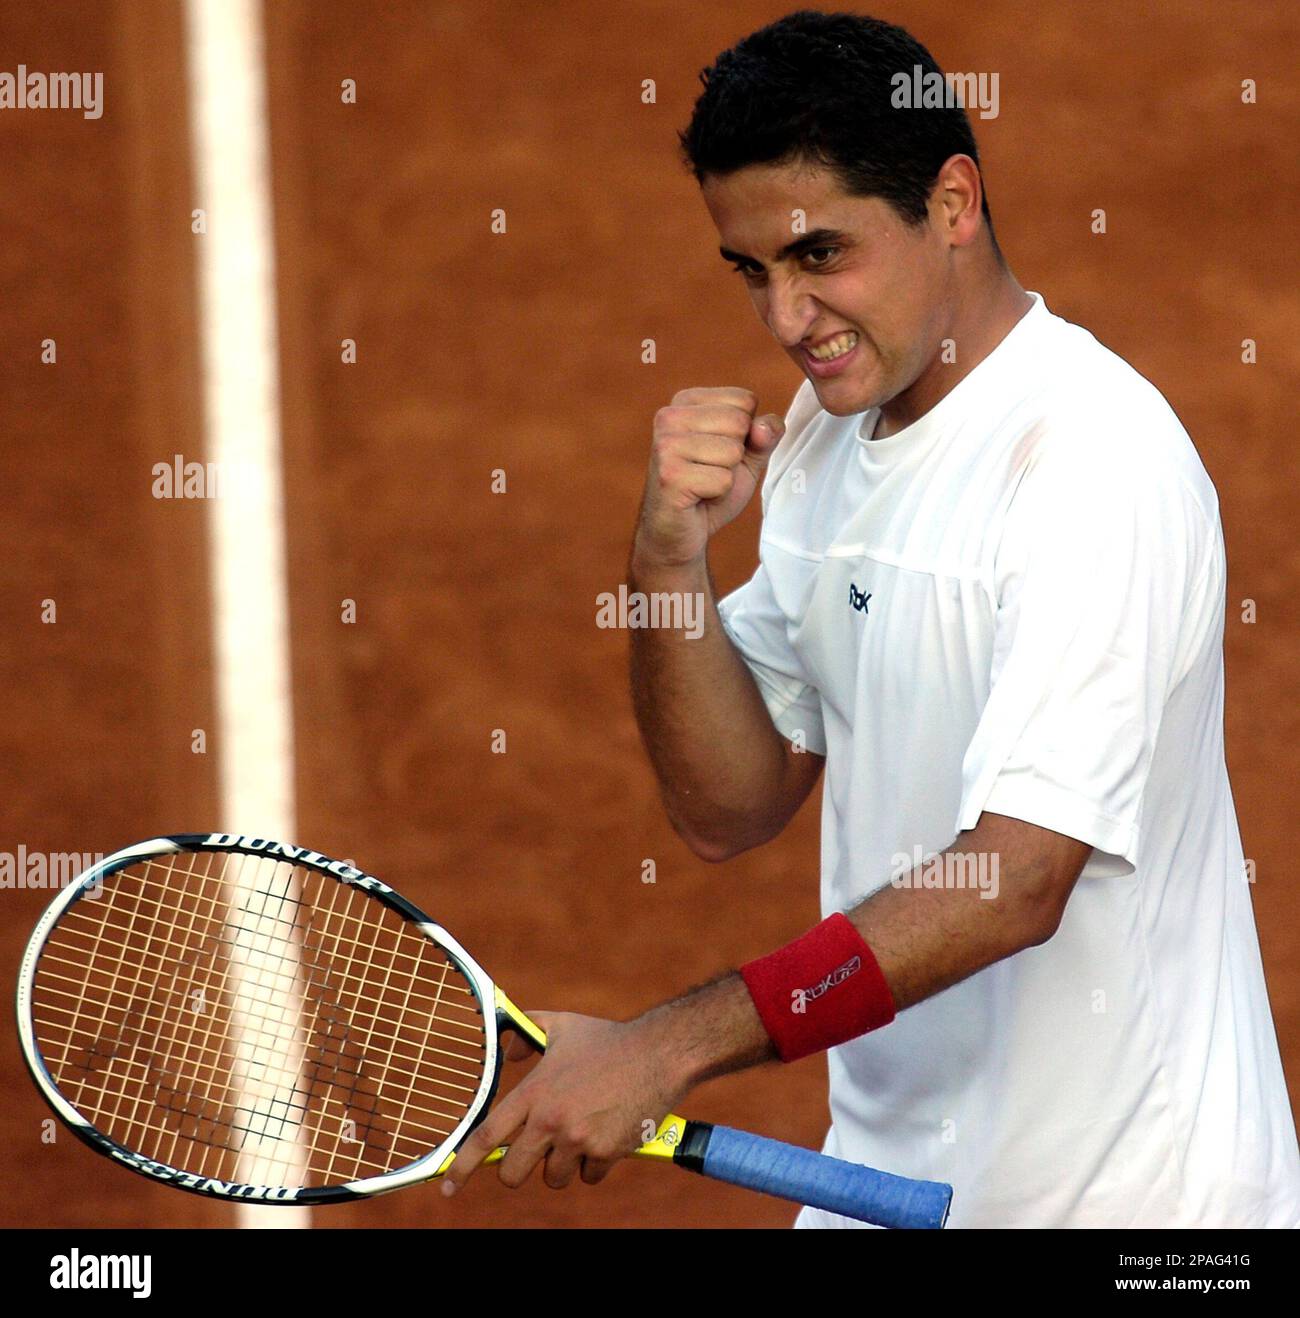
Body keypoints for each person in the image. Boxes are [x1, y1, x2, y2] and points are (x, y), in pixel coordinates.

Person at [443, 10, 1300, 1226]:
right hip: (889, 1187)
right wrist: (667, 563)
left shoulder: (1092, 464)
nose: (788, 320)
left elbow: (1014, 878)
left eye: (819, 257)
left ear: (953, 202)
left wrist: (667, 1046)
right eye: (753, 273)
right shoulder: (825, 434)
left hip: (1130, 1207)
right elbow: (729, 802)